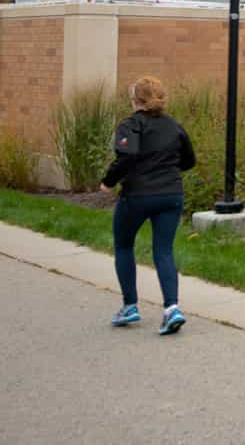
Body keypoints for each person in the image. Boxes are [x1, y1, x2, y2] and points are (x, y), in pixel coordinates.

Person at [99, 75, 196, 334]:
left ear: (136, 100)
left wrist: (108, 182)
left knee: (123, 244)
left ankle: (130, 306)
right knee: (163, 251)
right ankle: (171, 309)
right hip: (171, 195)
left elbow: (126, 156)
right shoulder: (174, 126)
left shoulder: (130, 125)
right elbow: (189, 160)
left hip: (138, 196)